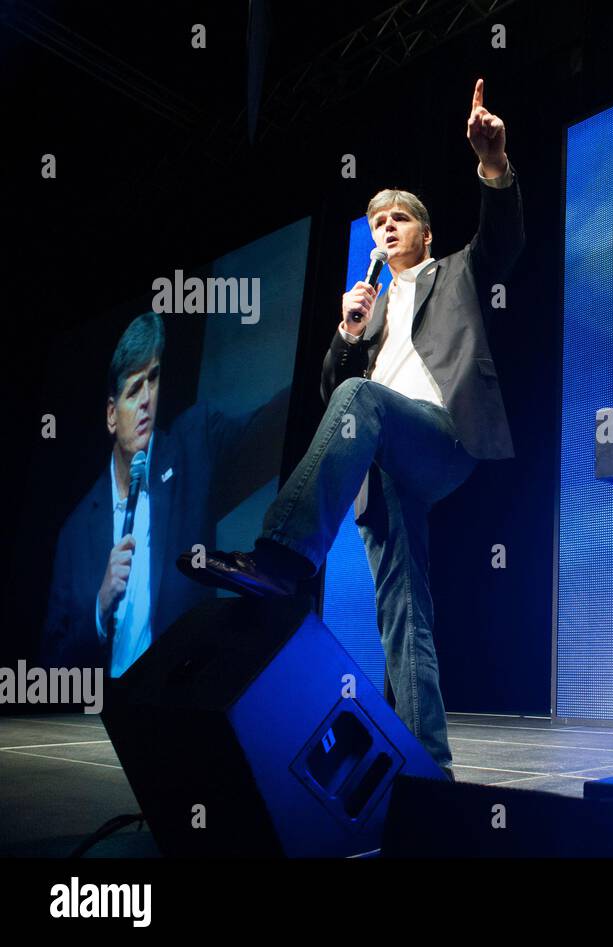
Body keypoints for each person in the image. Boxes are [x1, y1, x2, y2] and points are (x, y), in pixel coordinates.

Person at [177, 78, 525, 781]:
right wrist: (345, 330)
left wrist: (493, 164)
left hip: (443, 437)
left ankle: (280, 559)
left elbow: (505, 240)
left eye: (399, 218)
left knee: (363, 398)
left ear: (424, 233)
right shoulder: (364, 306)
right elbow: (328, 398)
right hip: (382, 466)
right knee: (404, 613)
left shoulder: (455, 271)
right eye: (377, 222)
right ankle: (431, 770)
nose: (386, 227)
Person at [41, 312, 289, 676]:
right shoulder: (75, 531)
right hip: (99, 717)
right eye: (132, 389)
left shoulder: (194, 446)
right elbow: (51, 662)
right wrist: (99, 606)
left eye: (152, 380)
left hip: (175, 702)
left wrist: (338, 353)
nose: (145, 400)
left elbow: (270, 427)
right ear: (111, 415)